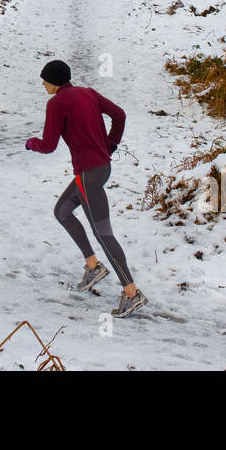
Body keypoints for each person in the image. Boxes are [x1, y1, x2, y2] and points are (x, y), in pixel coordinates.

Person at [25, 59, 147, 317]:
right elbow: (120, 115)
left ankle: (131, 292)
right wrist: (110, 143)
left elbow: (48, 145)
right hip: (101, 168)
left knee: (104, 233)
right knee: (62, 212)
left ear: (54, 81)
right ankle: (93, 266)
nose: (43, 84)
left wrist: (30, 143)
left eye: (45, 79)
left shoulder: (56, 103)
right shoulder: (87, 93)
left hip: (88, 175)